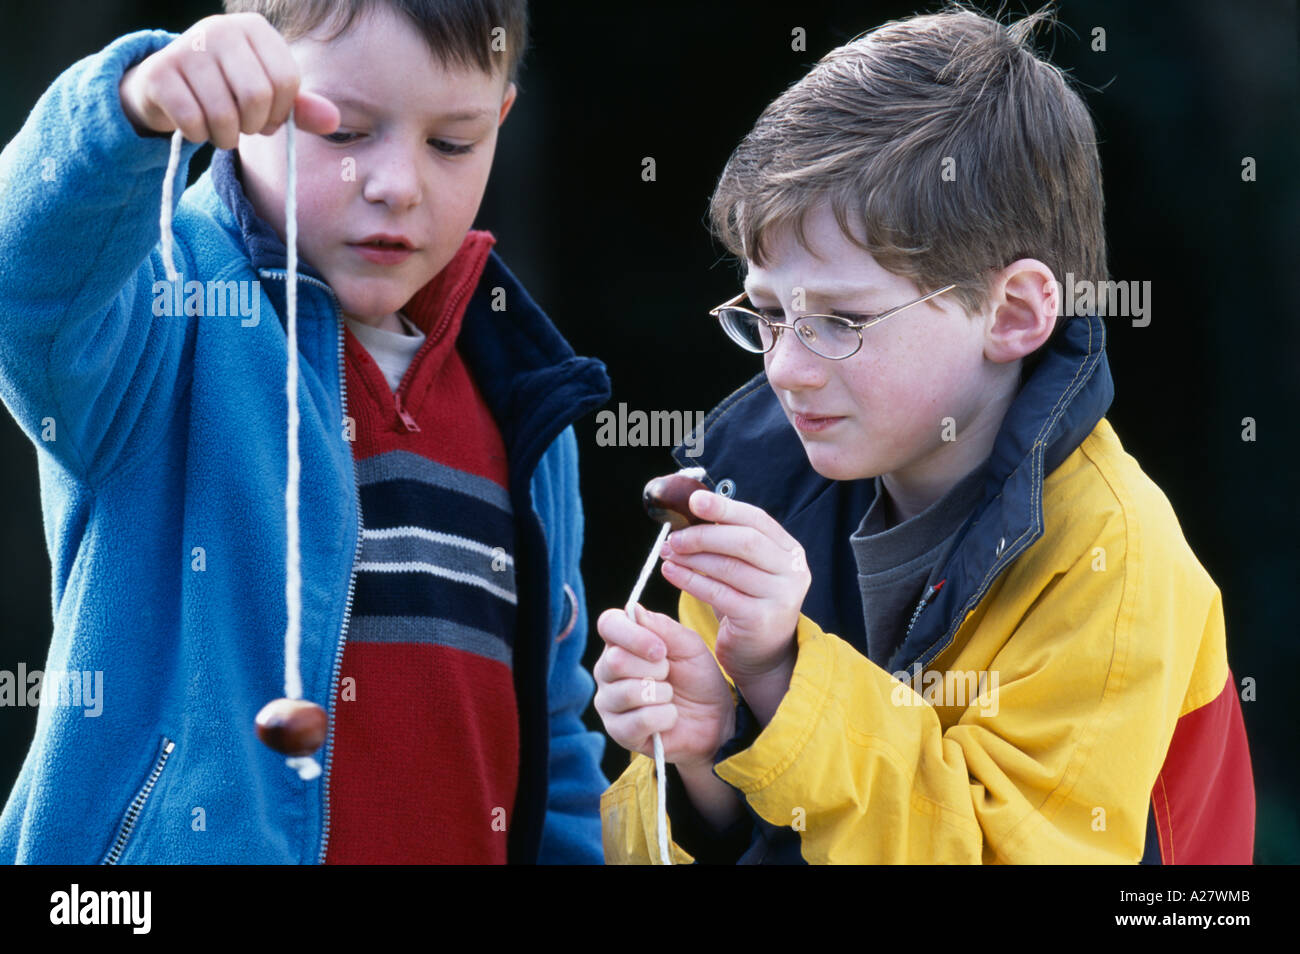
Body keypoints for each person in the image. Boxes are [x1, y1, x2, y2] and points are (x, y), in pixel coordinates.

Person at [594, 4, 1254, 864]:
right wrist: (702, 756)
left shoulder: (1113, 558)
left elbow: (998, 852)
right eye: (764, 314)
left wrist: (785, 680)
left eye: (840, 319)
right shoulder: (745, 496)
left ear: (1013, 313)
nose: (785, 368)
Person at [0, 0, 611, 863]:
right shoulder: (160, 311)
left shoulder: (526, 392)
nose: (397, 182)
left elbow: (553, 739)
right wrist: (128, 109)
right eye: (345, 130)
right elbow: (21, 286)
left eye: (451, 143)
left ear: (501, 119)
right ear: (247, 100)